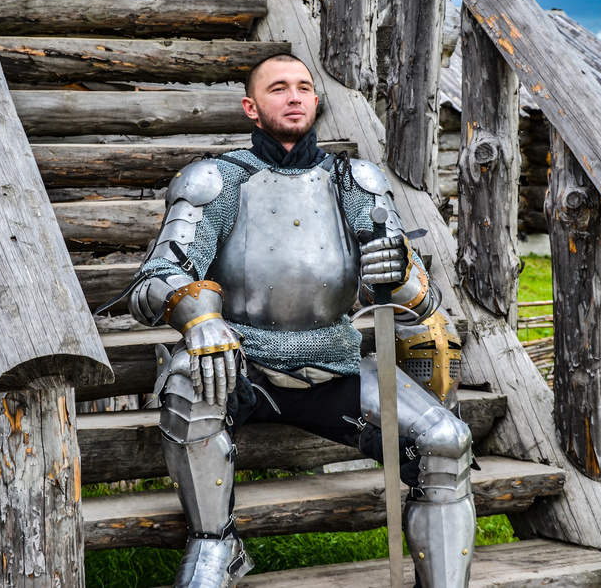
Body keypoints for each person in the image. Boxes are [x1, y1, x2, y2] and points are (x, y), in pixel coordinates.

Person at [125, 54, 475, 587]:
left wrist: (400, 276)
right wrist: (200, 320)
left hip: (334, 362)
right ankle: (215, 545)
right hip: (240, 363)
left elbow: (418, 294)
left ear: (316, 101)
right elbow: (158, 276)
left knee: (446, 440)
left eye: (304, 88)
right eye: (278, 88)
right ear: (250, 106)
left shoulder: (353, 180)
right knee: (186, 383)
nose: (294, 96)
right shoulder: (215, 181)